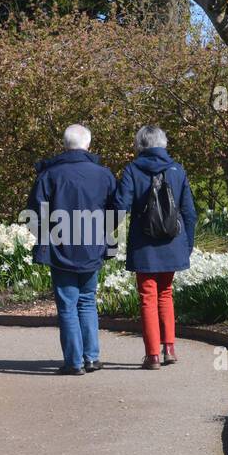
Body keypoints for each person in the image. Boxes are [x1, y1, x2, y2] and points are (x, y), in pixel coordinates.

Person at [24, 123, 117, 376]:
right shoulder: (104, 174)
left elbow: (33, 213)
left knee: (67, 305)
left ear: (64, 144)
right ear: (88, 144)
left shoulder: (49, 175)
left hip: (60, 247)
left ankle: (74, 362)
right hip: (92, 246)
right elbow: (115, 211)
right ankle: (92, 357)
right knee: (87, 302)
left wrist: (47, 236)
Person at [115, 125, 197, 369]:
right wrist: (187, 245)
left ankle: (152, 356)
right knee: (166, 293)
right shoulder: (177, 170)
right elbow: (189, 213)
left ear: (140, 145)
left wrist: (101, 232)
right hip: (172, 241)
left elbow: (121, 207)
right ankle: (169, 348)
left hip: (144, 243)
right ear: (164, 144)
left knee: (147, 297)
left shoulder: (132, 169)